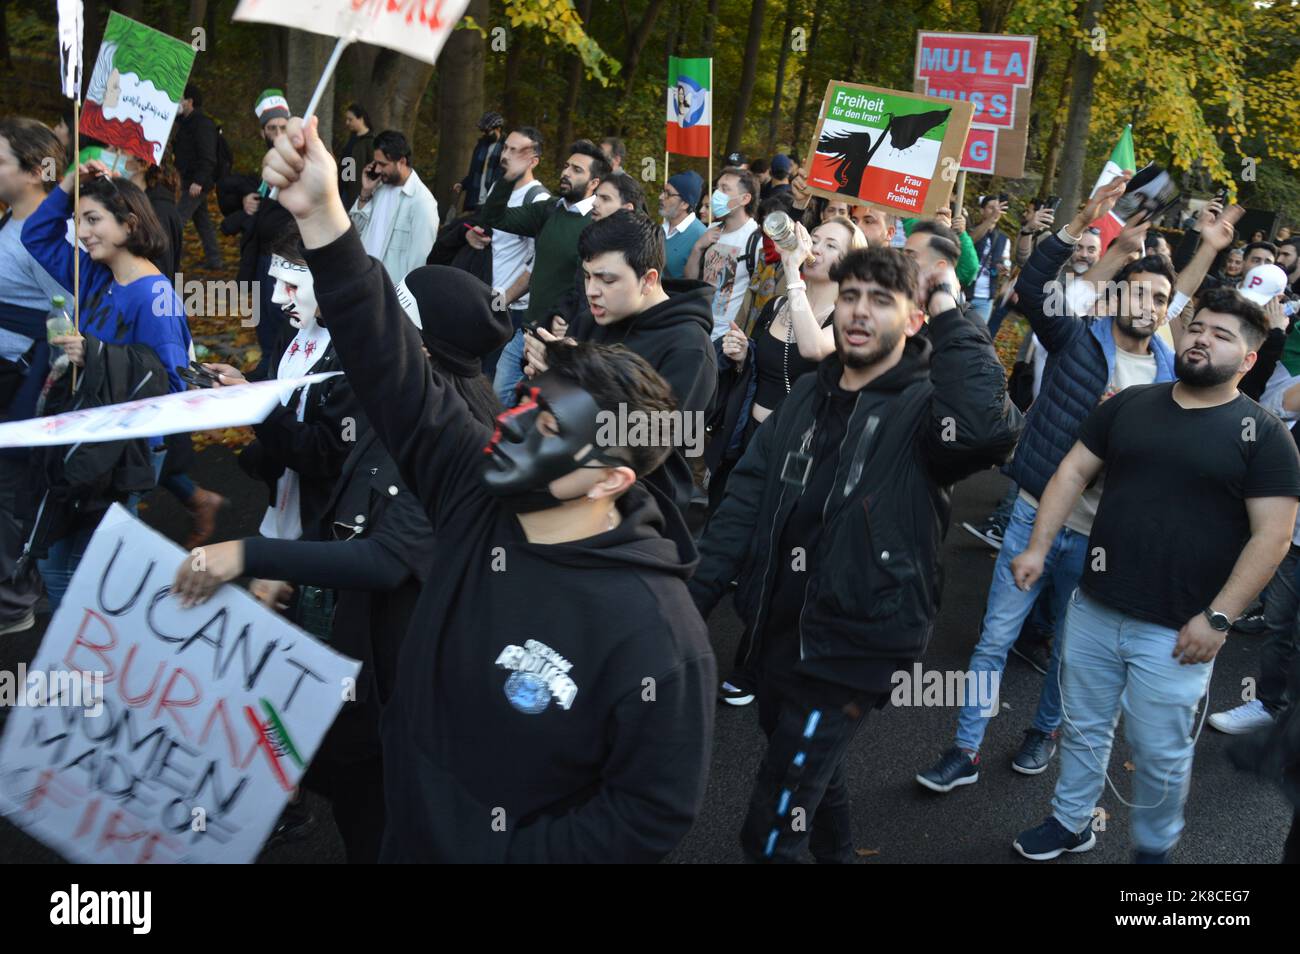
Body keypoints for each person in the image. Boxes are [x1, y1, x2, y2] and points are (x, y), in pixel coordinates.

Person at [260, 114, 716, 862]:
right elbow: (389, 363)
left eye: (547, 428)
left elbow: (650, 814)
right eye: (526, 404)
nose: (511, 425)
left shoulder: (658, 637)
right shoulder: (475, 494)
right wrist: (322, 216)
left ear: (611, 478)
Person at [691, 241, 1021, 862]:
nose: (859, 312)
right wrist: (690, 607)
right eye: (849, 297)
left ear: (915, 318)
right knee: (810, 766)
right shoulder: (809, 395)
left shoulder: (928, 407)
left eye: (881, 300)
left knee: (773, 822)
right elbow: (742, 506)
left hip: (856, 644)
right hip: (778, 627)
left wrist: (949, 304)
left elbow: (987, 428)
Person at [172, 264, 510, 864]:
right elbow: (344, 495)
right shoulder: (408, 406)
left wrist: (248, 553)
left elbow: (384, 559)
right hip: (359, 651)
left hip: (394, 676)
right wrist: (293, 567)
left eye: (396, 315)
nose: (378, 325)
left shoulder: (452, 433)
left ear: (423, 343)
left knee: (378, 821)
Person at [916, 179, 1191, 794]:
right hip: (1033, 515)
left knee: (1067, 655)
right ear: (1118, 297)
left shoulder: (1173, 381)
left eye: (1162, 298)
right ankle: (964, 749)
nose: (1148, 304)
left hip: (1100, 537)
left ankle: (1043, 732)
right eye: (1139, 292)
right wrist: (1080, 227)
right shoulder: (1076, 338)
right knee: (993, 639)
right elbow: (1034, 290)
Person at [1010, 287, 1300, 863]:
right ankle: (1070, 822)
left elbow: (1272, 536)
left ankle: (1153, 850)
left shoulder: (1265, 436)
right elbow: (1071, 472)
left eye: (1222, 335)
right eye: (1199, 327)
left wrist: (1218, 618)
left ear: (1248, 360)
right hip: (1093, 607)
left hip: (1178, 631)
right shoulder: (1131, 403)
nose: (1201, 338)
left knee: (1160, 752)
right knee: (1084, 728)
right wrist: (1038, 547)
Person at [709, 215, 866, 706]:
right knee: (722, 543)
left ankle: (753, 666)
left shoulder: (846, 313)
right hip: (747, 439)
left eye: (830, 245)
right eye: (813, 237)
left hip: (799, 453)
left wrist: (794, 270)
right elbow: (765, 363)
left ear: (849, 263)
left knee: (774, 561)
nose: (815, 246)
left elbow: (812, 348)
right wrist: (738, 354)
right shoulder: (777, 301)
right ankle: (679, 640)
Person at [20, 160, 191, 609]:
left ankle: (98, 659)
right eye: (78, 222)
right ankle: (82, 658)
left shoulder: (155, 299)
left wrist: (94, 356)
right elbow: (35, 236)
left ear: (129, 223)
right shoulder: (94, 273)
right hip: (83, 442)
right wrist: (69, 185)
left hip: (122, 455)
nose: (83, 232)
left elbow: (172, 387)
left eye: (92, 220)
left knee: (100, 573)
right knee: (58, 565)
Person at [523, 209, 715, 515]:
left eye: (606, 279)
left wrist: (568, 387)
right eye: (587, 276)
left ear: (648, 279)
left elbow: (654, 443)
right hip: (565, 486)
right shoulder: (589, 322)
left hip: (639, 507)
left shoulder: (690, 349)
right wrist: (542, 383)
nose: (591, 291)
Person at [204, 233, 358, 543]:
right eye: (275, 282)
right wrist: (245, 381)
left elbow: (327, 453)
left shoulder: (356, 353)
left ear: (327, 280)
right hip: (285, 502)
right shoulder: (295, 325)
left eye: (291, 286)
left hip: (323, 523)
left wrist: (258, 407)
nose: (276, 298)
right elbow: (281, 382)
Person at [0, 118, 72, 635]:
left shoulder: (41, 239)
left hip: (22, 391)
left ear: (32, 172)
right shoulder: (10, 221)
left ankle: (15, 600)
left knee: (11, 491)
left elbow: (71, 316)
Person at [476, 138, 608, 403]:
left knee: (536, 412)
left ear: (594, 183)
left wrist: (568, 321)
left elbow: (590, 285)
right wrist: (510, 177)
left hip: (560, 340)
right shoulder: (550, 209)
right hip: (526, 330)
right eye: (567, 166)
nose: (566, 173)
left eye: (577, 170)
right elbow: (493, 218)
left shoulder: (598, 224)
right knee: (497, 399)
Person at [219, 90, 297, 376]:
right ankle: (267, 374)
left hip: (288, 262)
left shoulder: (297, 162)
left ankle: (278, 379)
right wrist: (247, 204)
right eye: (271, 128)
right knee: (265, 326)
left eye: (282, 127)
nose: (277, 133)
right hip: (263, 261)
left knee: (282, 326)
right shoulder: (268, 164)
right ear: (262, 130)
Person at [463, 126, 550, 379]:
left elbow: (537, 264)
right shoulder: (496, 190)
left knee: (493, 382)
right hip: (485, 298)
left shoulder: (538, 200)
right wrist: (472, 236)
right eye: (506, 147)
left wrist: (503, 300)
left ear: (533, 161)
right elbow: (492, 237)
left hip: (512, 309)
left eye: (516, 150)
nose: (506, 155)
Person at [351, 129, 440, 286]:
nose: (377, 170)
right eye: (376, 163)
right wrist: (365, 193)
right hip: (361, 282)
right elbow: (354, 230)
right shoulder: (377, 188)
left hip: (389, 294)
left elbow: (419, 263)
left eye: (383, 164)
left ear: (402, 162)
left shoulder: (422, 203)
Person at [686, 166, 760, 339]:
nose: (716, 194)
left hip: (728, 338)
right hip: (699, 327)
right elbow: (690, 282)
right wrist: (698, 247)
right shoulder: (711, 230)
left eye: (725, 189)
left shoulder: (756, 240)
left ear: (745, 198)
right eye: (717, 188)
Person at [174, 83, 224, 269]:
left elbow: (208, 156)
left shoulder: (202, 124)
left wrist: (199, 181)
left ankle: (169, 260)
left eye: (181, 99)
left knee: (176, 221)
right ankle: (215, 260)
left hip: (196, 183)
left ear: (190, 102)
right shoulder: (185, 123)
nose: (178, 102)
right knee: (203, 222)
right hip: (189, 181)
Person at [967, 194, 1012, 323]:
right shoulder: (970, 229)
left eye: (997, 208)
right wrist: (990, 220)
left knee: (976, 338)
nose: (995, 211)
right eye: (991, 208)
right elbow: (971, 240)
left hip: (986, 299)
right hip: (964, 293)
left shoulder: (1004, 239)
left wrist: (1003, 267)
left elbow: (1003, 261)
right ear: (982, 210)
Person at [453, 111, 504, 213]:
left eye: (488, 131)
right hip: (476, 201)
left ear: (498, 129)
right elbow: (475, 171)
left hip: (493, 203)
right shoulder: (481, 146)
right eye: (484, 131)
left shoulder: (506, 148)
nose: (486, 134)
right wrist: (463, 184)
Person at [660, 170, 706, 279]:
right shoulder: (659, 229)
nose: (661, 197)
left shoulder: (701, 235)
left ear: (685, 204)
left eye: (668, 194)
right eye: (663, 191)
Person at [337, 102, 374, 210]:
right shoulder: (352, 139)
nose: (347, 122)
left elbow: (372, 170)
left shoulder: (370, 142)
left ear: (361, 119)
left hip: (357, 194)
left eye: (350, 119)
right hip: (344, 189)